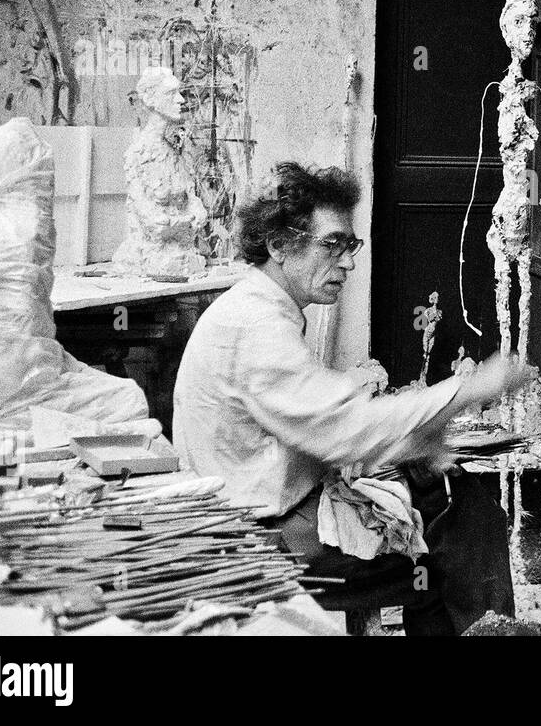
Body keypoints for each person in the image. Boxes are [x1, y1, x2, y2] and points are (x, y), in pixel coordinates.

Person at [173, 161, 523, 634]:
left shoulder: (258, 308)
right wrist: (470, 387)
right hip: (258, 538)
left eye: (350, 245)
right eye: (331, 244)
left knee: (447, 497)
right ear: (278, 245)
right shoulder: (256, 326)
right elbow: (345, 429)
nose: (349, 262)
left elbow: (318, 421)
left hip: (266, 510)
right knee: (463, 530)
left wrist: (412, 444)